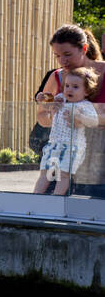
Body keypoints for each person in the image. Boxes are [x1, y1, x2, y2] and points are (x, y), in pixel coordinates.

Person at [37, 24, 105, 197]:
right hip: (61, 160)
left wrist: (85, 119)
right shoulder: (57, 76)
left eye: (68, 54)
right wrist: (53, 112)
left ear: (84, 48)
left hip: (98, 165)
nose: (62, 61)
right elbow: (41, 118)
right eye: (57, 56)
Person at [34, 66, 99, 195]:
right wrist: (41, 97)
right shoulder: (60, 98)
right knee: (45, 173)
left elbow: (94, 121)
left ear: (86, 91)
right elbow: (45, 101)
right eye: (67, 85)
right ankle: (36, 197)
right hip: (53, 144)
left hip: (72, 147)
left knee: (64, 175)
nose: (69, 89)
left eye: (75, 87)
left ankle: (57, 198)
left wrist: (79, 117)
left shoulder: (84, 105)